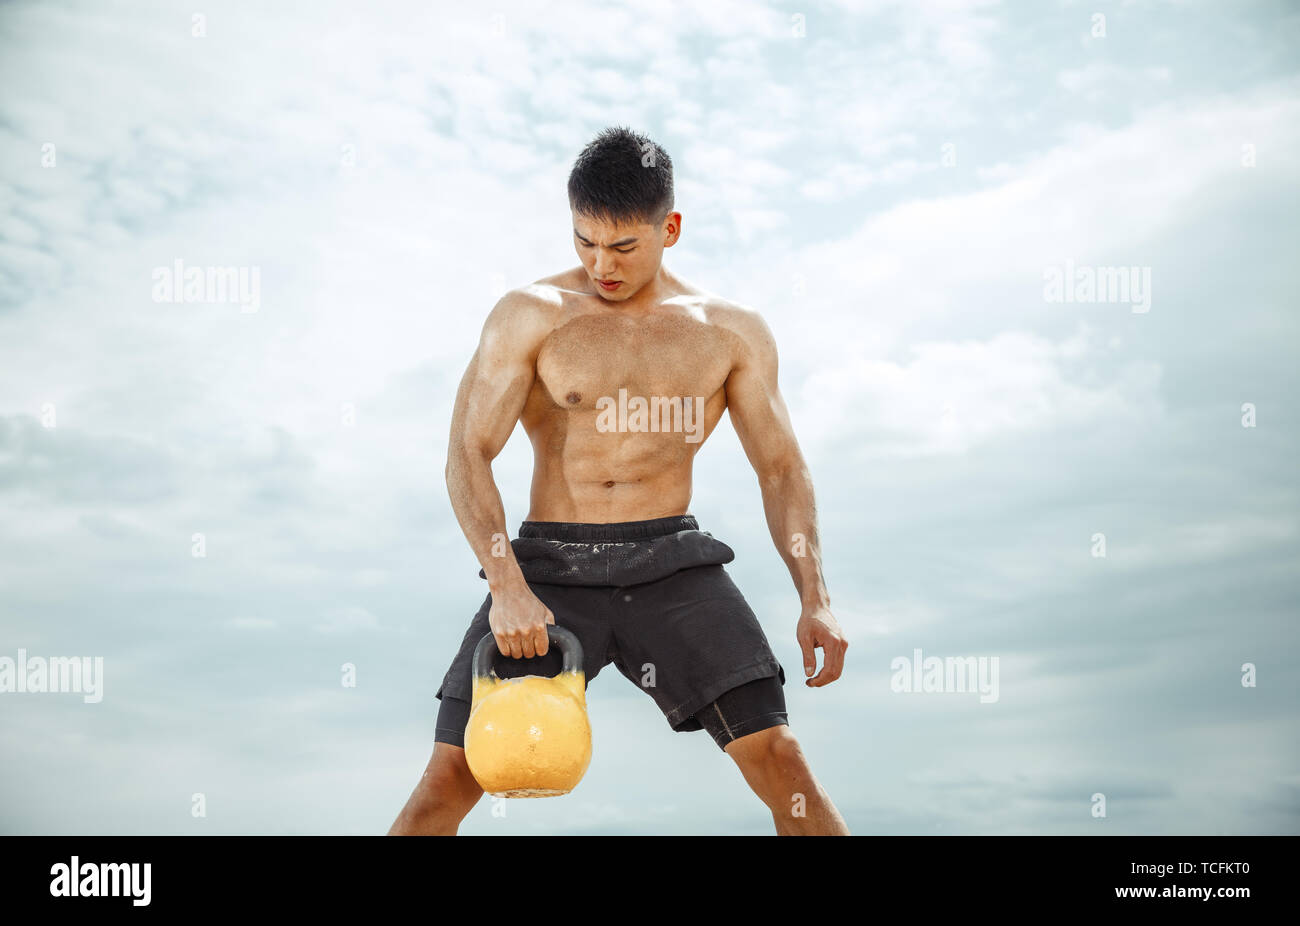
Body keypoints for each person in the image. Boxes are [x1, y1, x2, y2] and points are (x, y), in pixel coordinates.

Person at [388, 126, 849, 835]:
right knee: (447, 780)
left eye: (624, 247)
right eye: (584, 241)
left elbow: (781, 467)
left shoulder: (729, 332)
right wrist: (507, 586)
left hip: (671, 566)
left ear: (670, 228)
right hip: (547, 573)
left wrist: (815, 597)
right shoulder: (531, 316)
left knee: (783, 763)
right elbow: (467, 453)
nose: (601, 264)